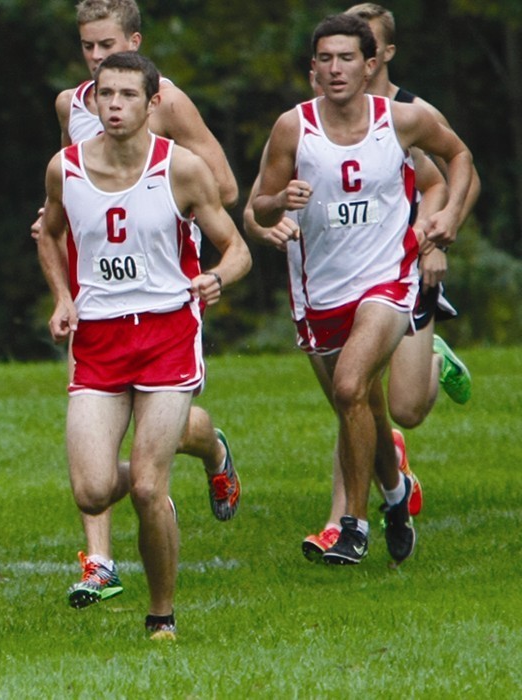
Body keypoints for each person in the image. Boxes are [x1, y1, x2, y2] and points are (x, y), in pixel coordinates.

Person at [38, 51, 253, 640]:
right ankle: (209, 447)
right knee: (91, 488)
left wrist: (216, 277)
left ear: (152, 103)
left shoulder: (181, 169)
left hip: (166, 331)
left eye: (127, 95)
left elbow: (237, 249)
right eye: (104, 94)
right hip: (99, 339)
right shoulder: (66, 168)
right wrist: (62, 296)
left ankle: (162, 617)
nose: (113, 106)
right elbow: (49, 235)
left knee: (148, 487)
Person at [252, 14, 472, 566]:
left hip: (388, 280)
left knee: (352, 386)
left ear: (371, 64)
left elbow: (460, 158)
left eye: (346, 58)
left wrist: (448, 222)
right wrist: (281, 206)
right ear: (312, 70)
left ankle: (349, 526)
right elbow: (257, 205)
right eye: (325, 59)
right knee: (361, 407)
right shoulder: (291, 129)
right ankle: (395, 496)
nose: (335, 68)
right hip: (319, 291)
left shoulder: (401, 120)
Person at [346, 3, 475, 421]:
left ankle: (433, 359)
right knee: (354, 388)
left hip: (409, 258)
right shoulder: (326, 114)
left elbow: (464, 177)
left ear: (386, 53)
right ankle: (388, 473)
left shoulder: (413, 114)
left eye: (369, 45)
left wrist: (438, 240)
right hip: (350, 264)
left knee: (407, 410)